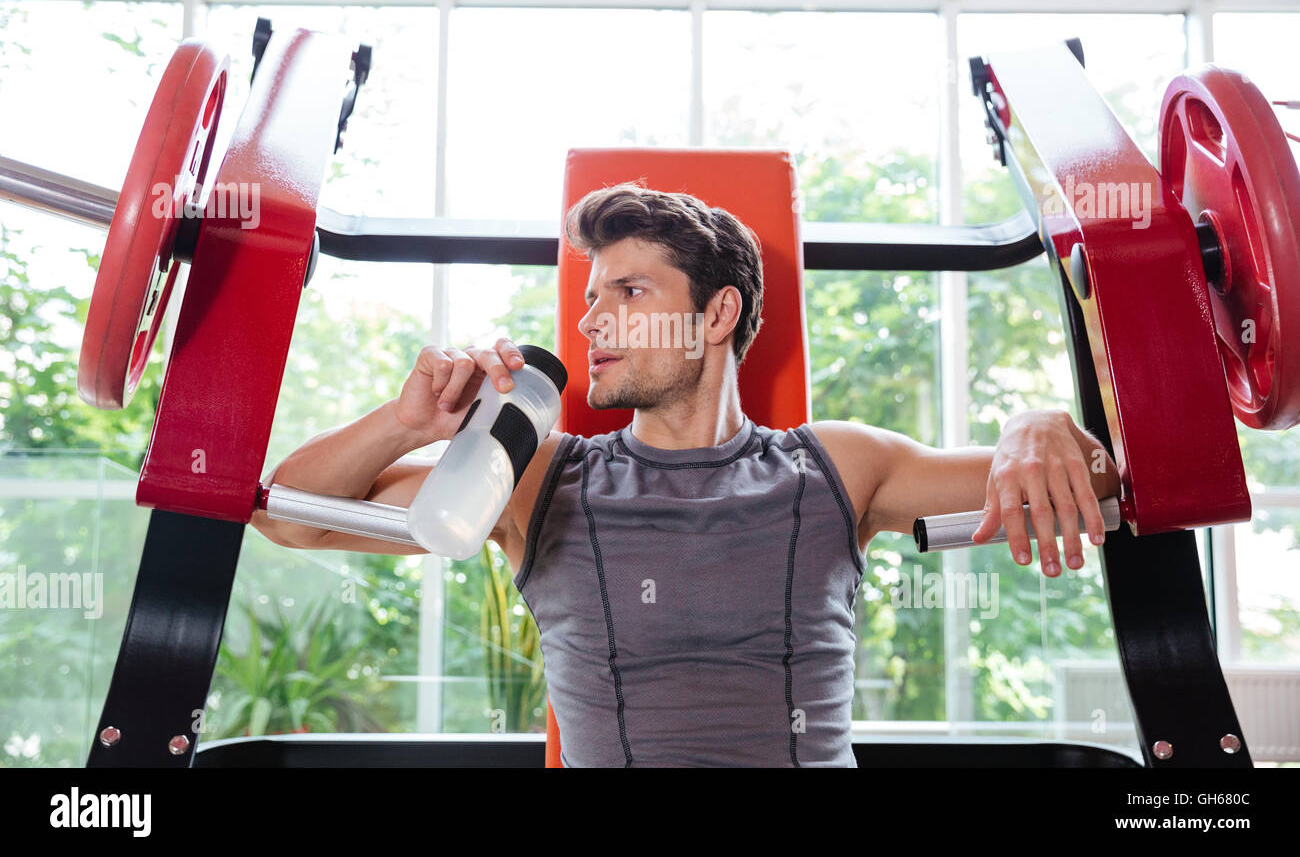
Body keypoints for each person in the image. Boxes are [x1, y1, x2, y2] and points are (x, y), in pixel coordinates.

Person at [250, 182, 1120, 767]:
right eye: (593, 298)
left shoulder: (834, 467)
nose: (593, 320)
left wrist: (1038, 423)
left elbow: (1101, 477)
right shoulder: (535, 477)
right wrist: (404, 423)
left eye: (629, 293)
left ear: (718, 314)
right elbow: (286, 515)